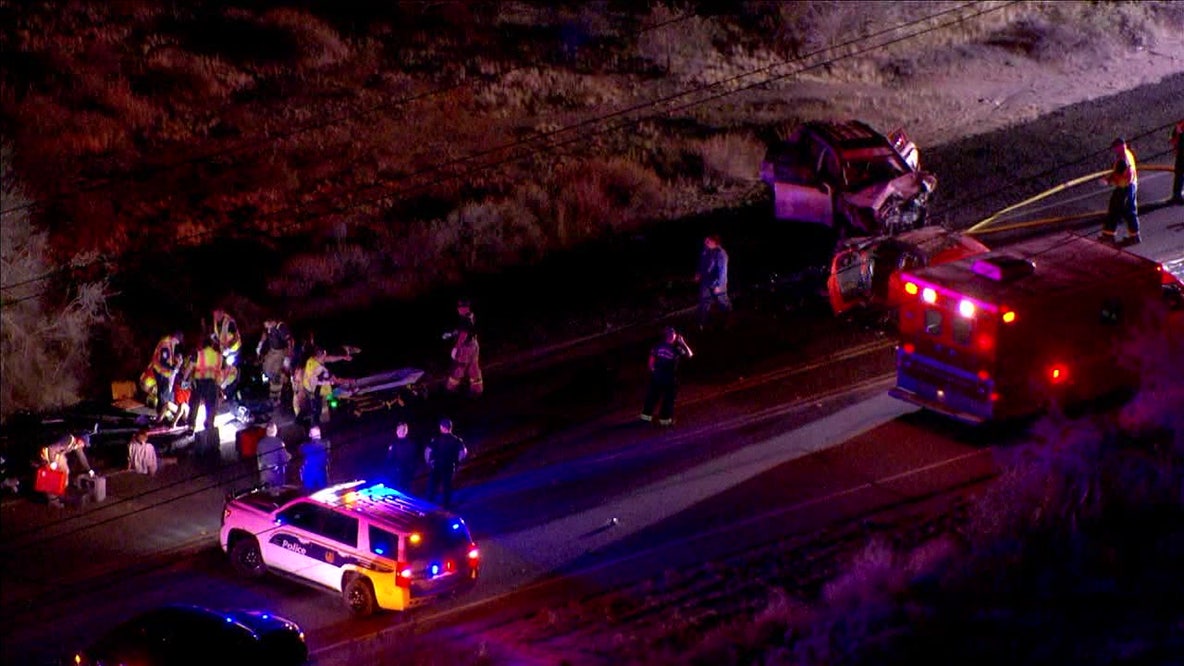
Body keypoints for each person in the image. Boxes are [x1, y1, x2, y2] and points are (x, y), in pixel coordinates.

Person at [640, 327, 694, 427]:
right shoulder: (676, 349)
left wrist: (654, 372)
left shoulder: (658, 346)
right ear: (673, 336)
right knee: (668, 400)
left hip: (657, 378)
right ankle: (664, 421)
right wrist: (683, 343)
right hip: (669, 379)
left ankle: (645, 419)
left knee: (652, 398)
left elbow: (651, 362)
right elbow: (690, 355)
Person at [1099, 137, 1139, 245]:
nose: (1115, 150)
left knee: (1115, 210)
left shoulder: (1123, 159)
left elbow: (1125, 173)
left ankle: (1108, 235)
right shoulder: (1127, 154)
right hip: (1129, 186)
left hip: (1124, 188)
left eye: (1115, 148)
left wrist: (1108, 180)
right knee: (1129, 212)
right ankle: (1134, 236)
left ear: (1119, 147)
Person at [299, 347, 347, 428]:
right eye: (324, 356)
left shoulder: (312, 359)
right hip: (313, 391)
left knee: (308, 407)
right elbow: (315, 382)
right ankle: (315, 428)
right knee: (316, 410)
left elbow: (329, 359)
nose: (325, 358)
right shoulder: (318, 368)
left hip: (308, 388)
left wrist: (342, 357)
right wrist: (330, 382)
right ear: (319, 356)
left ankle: (301, 421)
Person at [444, 299, 483, 396]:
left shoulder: (464, 318)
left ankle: (451, 388)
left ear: (464, 308)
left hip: (466, 347)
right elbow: (467, 329)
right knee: (473, 366)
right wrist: (453, 333)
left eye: (460, 307)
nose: (459, 309)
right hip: (474, 345)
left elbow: (464, 334)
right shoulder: (471, 316)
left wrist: (456, 348)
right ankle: (477, 389)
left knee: (459, 366)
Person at [424, 418, 468, 507]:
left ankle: (428, 507)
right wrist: (459, 463)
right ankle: (446, 507)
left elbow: (427, 451)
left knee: (432, 488)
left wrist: (429, 463)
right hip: (449, 467)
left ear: (442, 427)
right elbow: (463, 452)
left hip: (436, 467)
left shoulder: (437, 439)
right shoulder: (456, 440)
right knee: (447, 488)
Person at [695, 235, 732, 330]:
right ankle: (702, 324)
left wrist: (719, 285)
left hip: (717, 283)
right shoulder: (706, 252)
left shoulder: (721, 254)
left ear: (714, 242)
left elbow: (722, 270)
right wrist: (699, 273)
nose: (706, 243)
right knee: (704, 302)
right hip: (706, 282)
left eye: (708, 241)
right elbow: (702, 264)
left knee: (722, 302)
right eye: (705, 241)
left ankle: (727, 322)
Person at [188, 335, 222, 432]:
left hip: (200, 383)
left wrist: (185, 379)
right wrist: (219, 386)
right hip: (212, 383)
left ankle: (191, 425)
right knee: (210, 405)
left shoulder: (198, 354)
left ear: (203, 345)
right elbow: (220, 371)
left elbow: (190, 367)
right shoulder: (218, 356)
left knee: (194, 404)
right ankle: (209, 423)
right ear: (211, 345)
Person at [256, 319, 294, 407]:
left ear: (271, 321)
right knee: (267, 369)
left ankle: (276, 397)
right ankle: (272, 394)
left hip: (281, 353)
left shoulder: (280, 327)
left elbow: (290, 341)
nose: (266, 327)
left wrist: (288, 356)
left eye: (267, 324)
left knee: (276, 374)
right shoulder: (269, 329)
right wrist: (260, 346)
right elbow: (265, 337)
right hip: (273, 351)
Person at [148, 332, 184, 420]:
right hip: (161, 371)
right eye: (176, 342)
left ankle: (161, 414)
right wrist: (173, 368)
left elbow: (167, 358)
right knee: (163, 395)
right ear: (175, 338)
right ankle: (161, 416)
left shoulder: (168, 342)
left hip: (163, 372)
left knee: (164, 394)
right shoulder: (166, 344)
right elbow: (163, 361)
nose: (176, 344)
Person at [386, 421, 419, 492]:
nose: (399, 432)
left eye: (402, 430)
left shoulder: (410, 444)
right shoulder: (394, 444)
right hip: (398, 475)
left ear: (405, 431)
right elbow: (389, 460)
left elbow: (414, 459)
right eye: (398, 430)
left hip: (405, 475)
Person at [256, 422, 291, 488]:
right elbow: (285, 458)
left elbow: (259, 460)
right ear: (275, 430)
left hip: (264, 473)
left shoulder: (260, 443)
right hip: (276, 473)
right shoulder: (278, 442)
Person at [299, 426, 330, 491]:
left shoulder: (305, 447)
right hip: (321, 474)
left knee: (310, 493)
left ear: (310, 435)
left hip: (310, 475)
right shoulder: (326, 444)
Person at [1171, 120, 1184, 206]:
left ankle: (1177, 194)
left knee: (1179, 174)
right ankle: (1177, 194)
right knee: (1180, 174)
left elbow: (1174, 138)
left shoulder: (1180, 125)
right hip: (1182, 153)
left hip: (1180, 153)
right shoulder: (1181, 126)